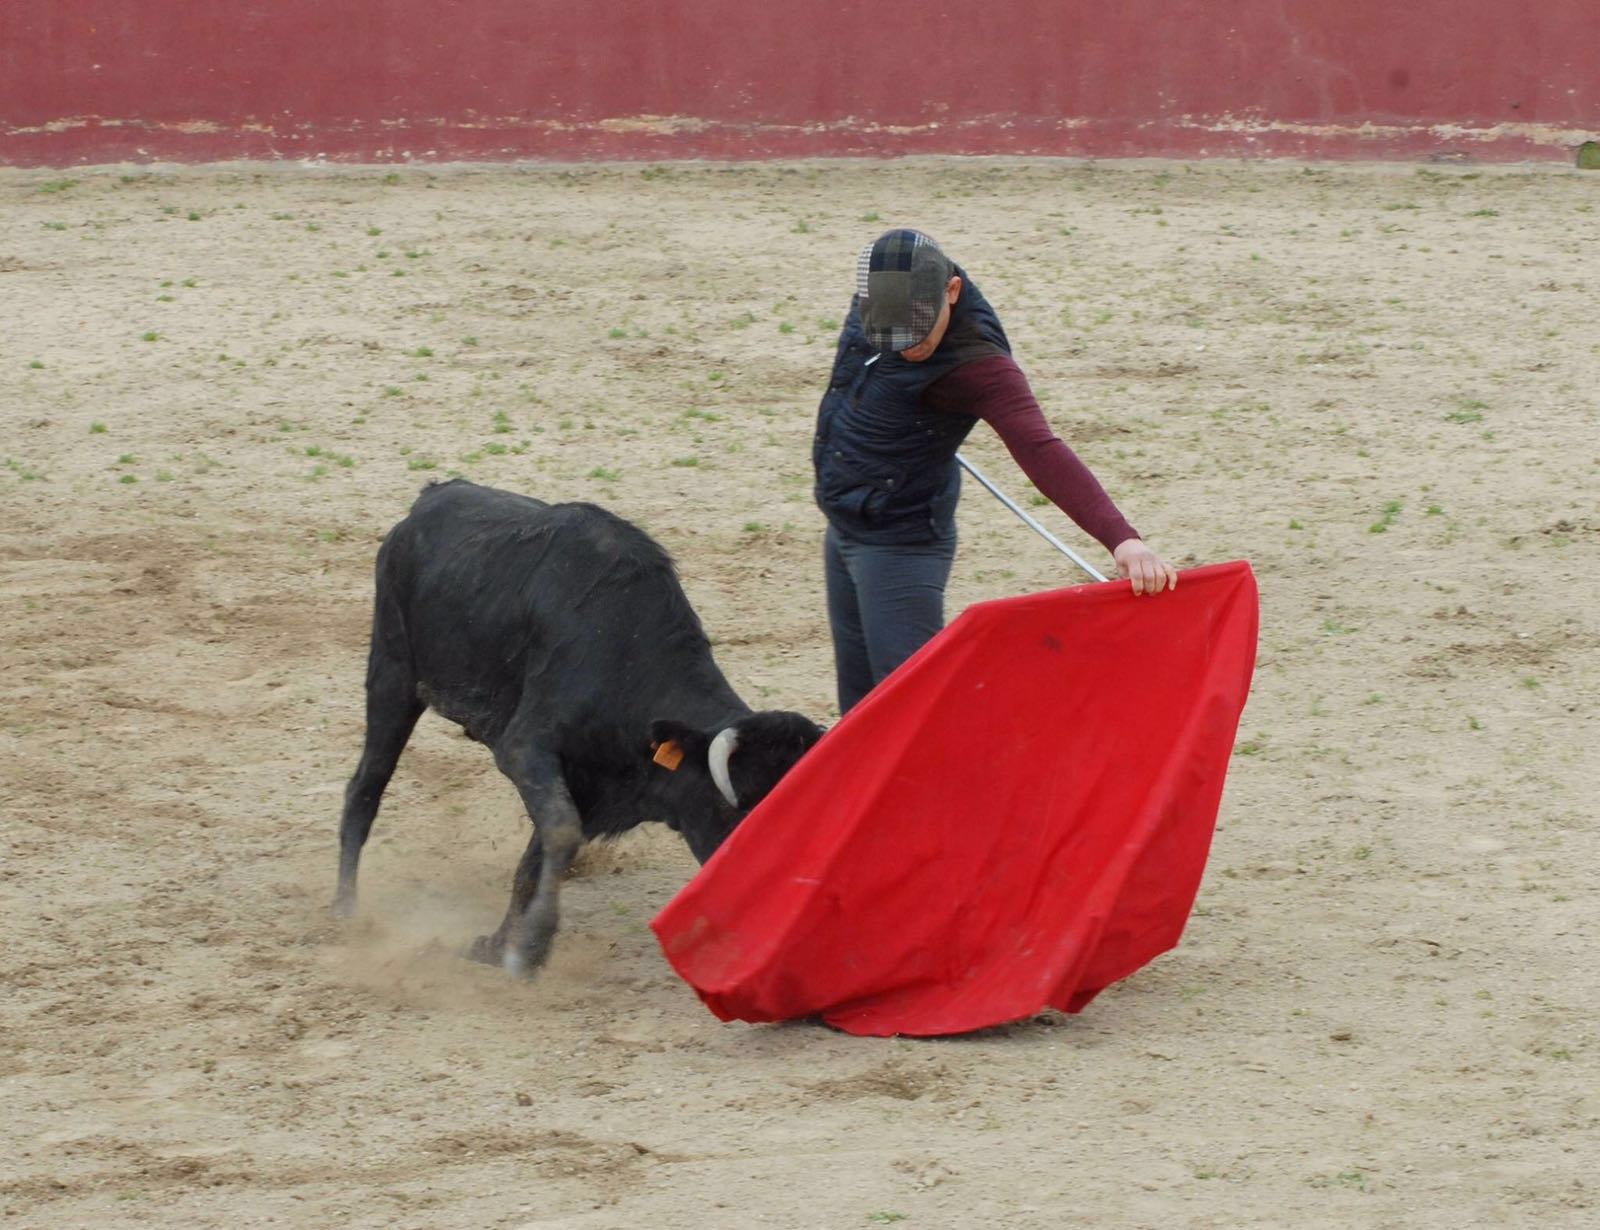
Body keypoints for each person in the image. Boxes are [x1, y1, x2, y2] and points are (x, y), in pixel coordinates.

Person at [813, 228, 1177, 714]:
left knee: (909, 713)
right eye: (892, 334)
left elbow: (1040, 447)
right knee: (858, 712)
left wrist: (1122, 539)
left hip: (897, 548)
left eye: (919, 334)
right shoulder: (885, 297)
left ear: (952, 292)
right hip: (843, 523)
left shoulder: (979, 365)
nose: (906, 347)